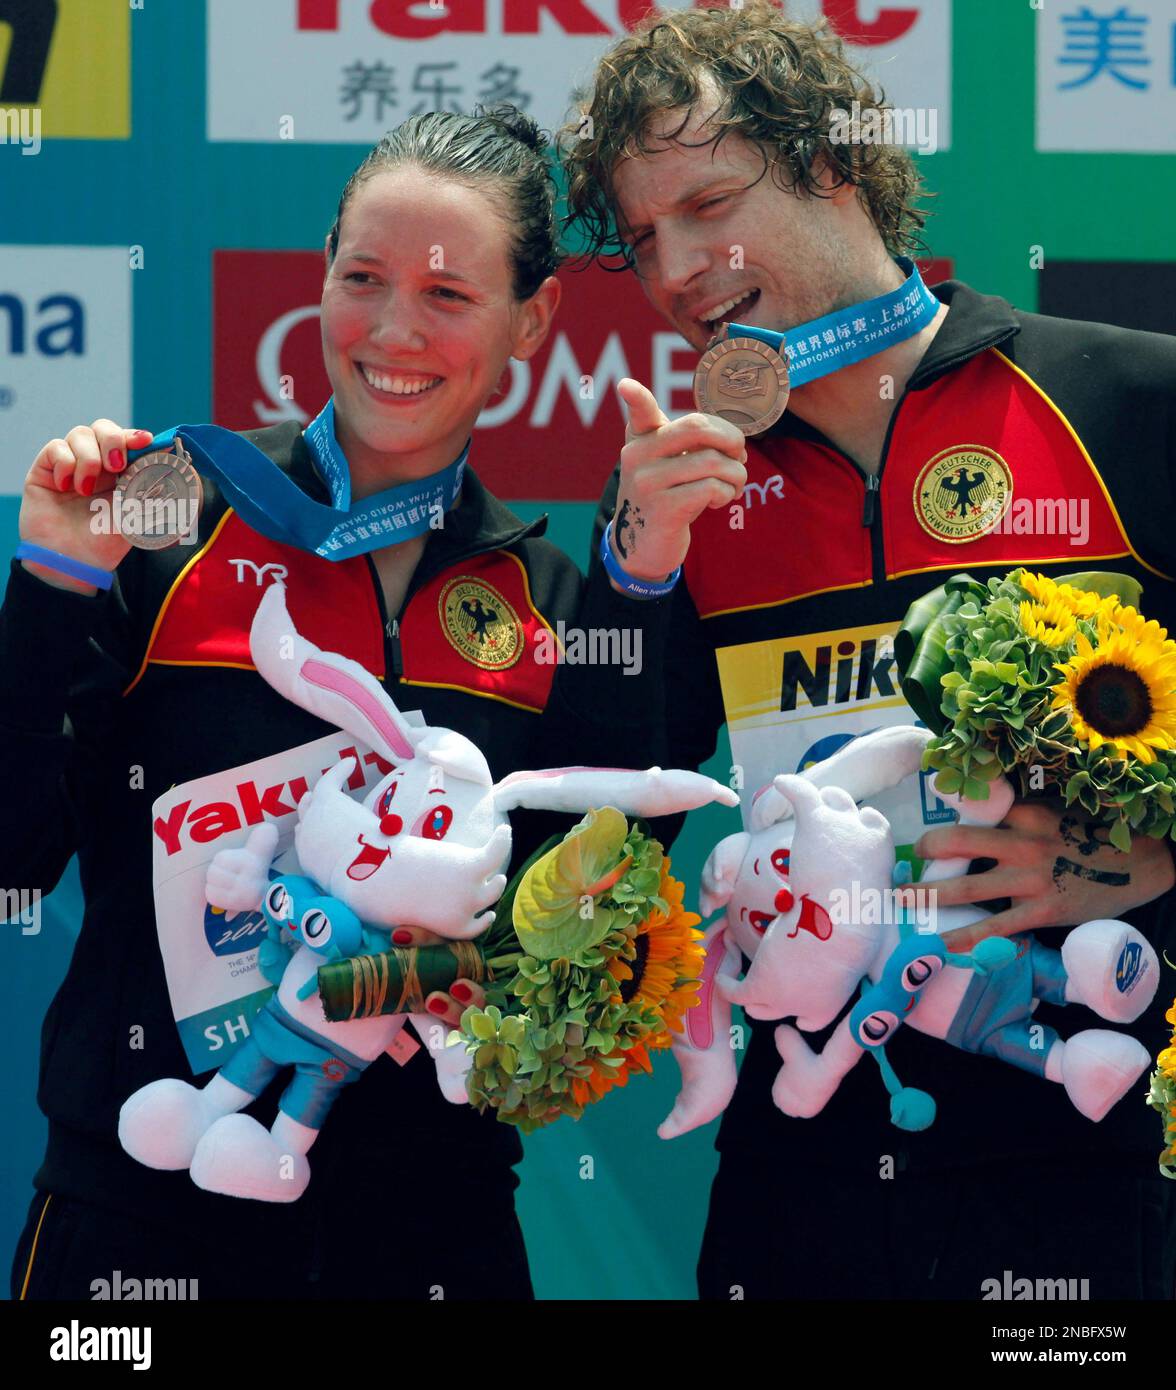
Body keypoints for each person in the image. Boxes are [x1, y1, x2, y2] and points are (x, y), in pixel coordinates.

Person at [557, 3, 1176, 1299]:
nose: (675, 269)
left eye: (709, 202)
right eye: (644, 237)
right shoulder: (686, 496)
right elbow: (578, 853)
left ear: (835, 164)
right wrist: (630, 581)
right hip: (807, 1169)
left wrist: (1154, 861)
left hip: (1104, 1147)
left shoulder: (1123, 396)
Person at [6, 105, 591, 1301]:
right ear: (318, 274)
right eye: (361, 276)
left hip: (431, 1227)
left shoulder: (544, 594)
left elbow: (555, 954)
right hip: (142, 1217)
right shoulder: (171, 508)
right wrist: (52, 582)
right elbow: (11, 856)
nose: (391, 329)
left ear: (532, 322)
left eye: (448, 295)